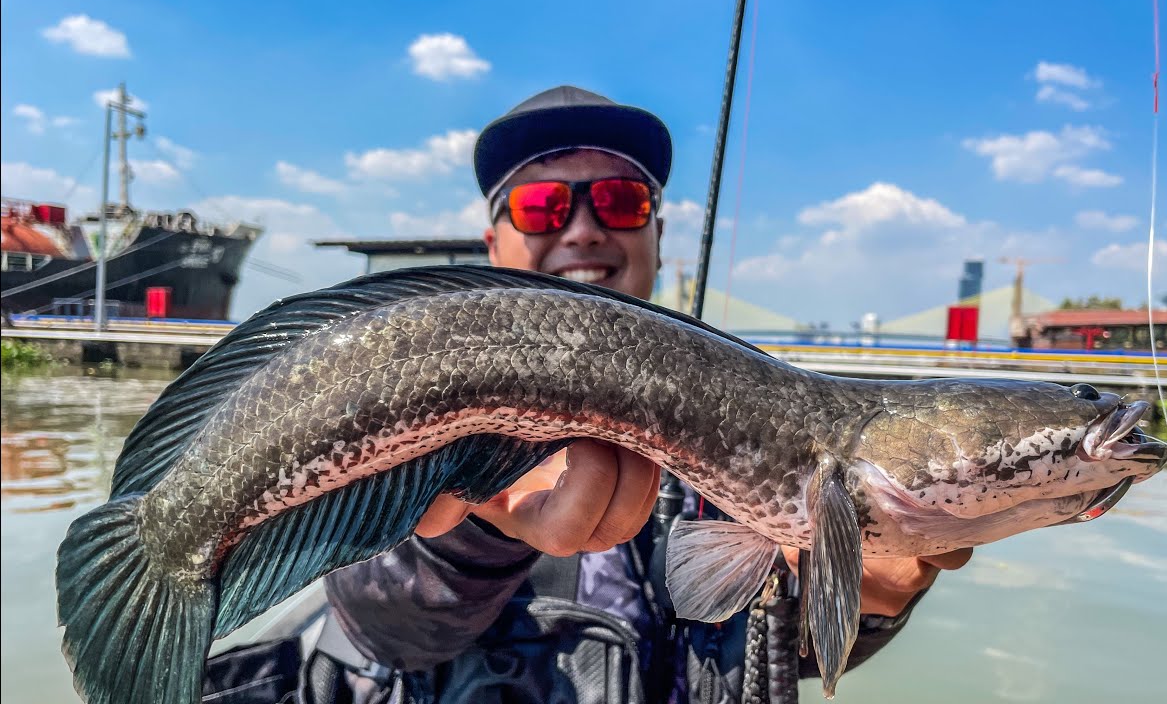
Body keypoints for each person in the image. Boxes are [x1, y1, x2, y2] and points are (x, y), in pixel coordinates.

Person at [206, 85, 972, 704]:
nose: (580, 230)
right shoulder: (409, 394)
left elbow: (766, 651)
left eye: (620, 202)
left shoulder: (753, 416)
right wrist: (477, 528)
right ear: (493, 244)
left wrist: (865, 597)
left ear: (658, 236)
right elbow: (382, 630)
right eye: (541, 206)